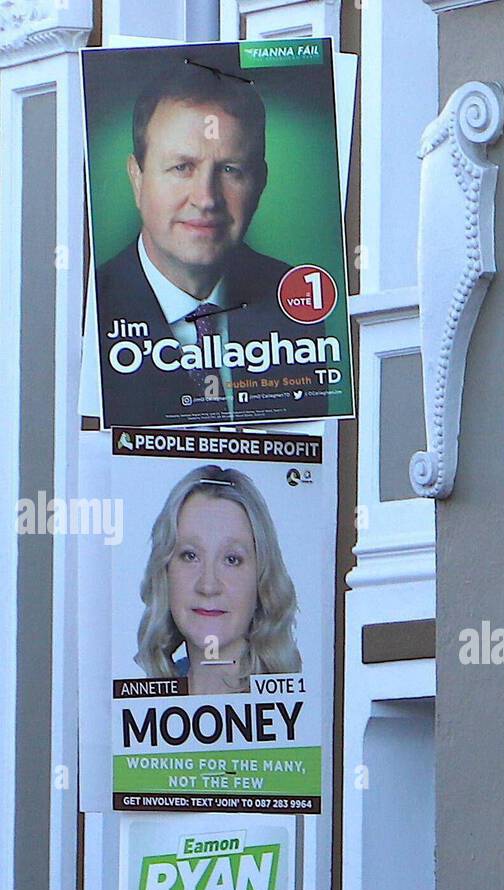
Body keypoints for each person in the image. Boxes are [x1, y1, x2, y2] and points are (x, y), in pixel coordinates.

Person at [95, 61, 319, 425]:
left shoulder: (307, 313)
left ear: (260, 182)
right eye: (182, 167)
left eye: (230, 170)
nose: (206, 198)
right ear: (137, 178)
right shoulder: (89, 311)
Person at [135, 464, 301, 695]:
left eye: (232, 559)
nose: (208, 586)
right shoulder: (149, 702)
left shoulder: (293, 704)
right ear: (165, 573)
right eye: (190, 556)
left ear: (262, 579)